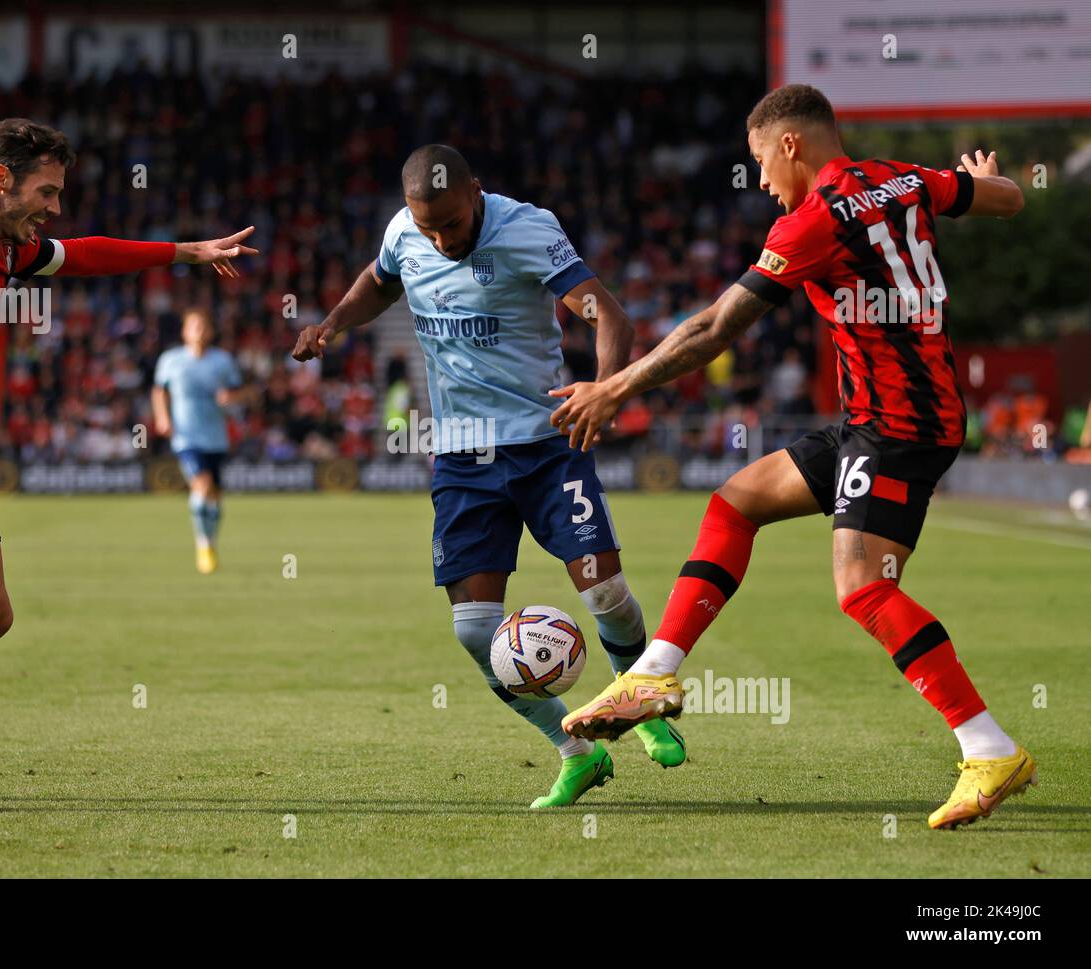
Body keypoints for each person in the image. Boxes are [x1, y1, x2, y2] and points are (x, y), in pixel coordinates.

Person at [550, 85, 1033, 830]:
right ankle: (652, 675)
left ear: (790, 145)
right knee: (736, 500)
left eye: (762, 165)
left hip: (900, 426)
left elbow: (713, 329)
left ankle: (988, 745)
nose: (765, 184)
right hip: (877, 416)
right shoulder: (903, 176)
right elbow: (1005, 200)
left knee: (863, 589)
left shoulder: (814, 223)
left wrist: (613, 388)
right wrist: (985, 177)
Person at [0, 118, 258, 815]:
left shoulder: (9, 250)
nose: (55, 208)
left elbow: (89, 255)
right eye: (47, 191)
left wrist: (183, 251)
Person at [293, 144, 685, 809]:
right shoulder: (403, 232)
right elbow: (379, 279)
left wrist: (608, 388)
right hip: (462, 458)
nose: (441, 239)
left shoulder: (528, 228)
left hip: (546, 445)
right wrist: (333, 322)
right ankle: (576, 751)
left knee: (607, 595)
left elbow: (609, 314)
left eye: (451, 222)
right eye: (428, 227)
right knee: (475, 632)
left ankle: (638, 700)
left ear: (477, 191)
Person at [152, 307, 244, 573]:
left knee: (214, 496)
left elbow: (243, 392)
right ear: (185, 332)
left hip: (216, 436)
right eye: (194, 326)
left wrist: (232, 398)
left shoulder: (222, 361)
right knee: (201, 486)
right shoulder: (171, 360)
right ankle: (203, 545)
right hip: (186, 436)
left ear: (211, 331)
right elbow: (159, 392)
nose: (199, 332)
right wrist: (162, 418)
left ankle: (211, 543)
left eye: (204, 326)